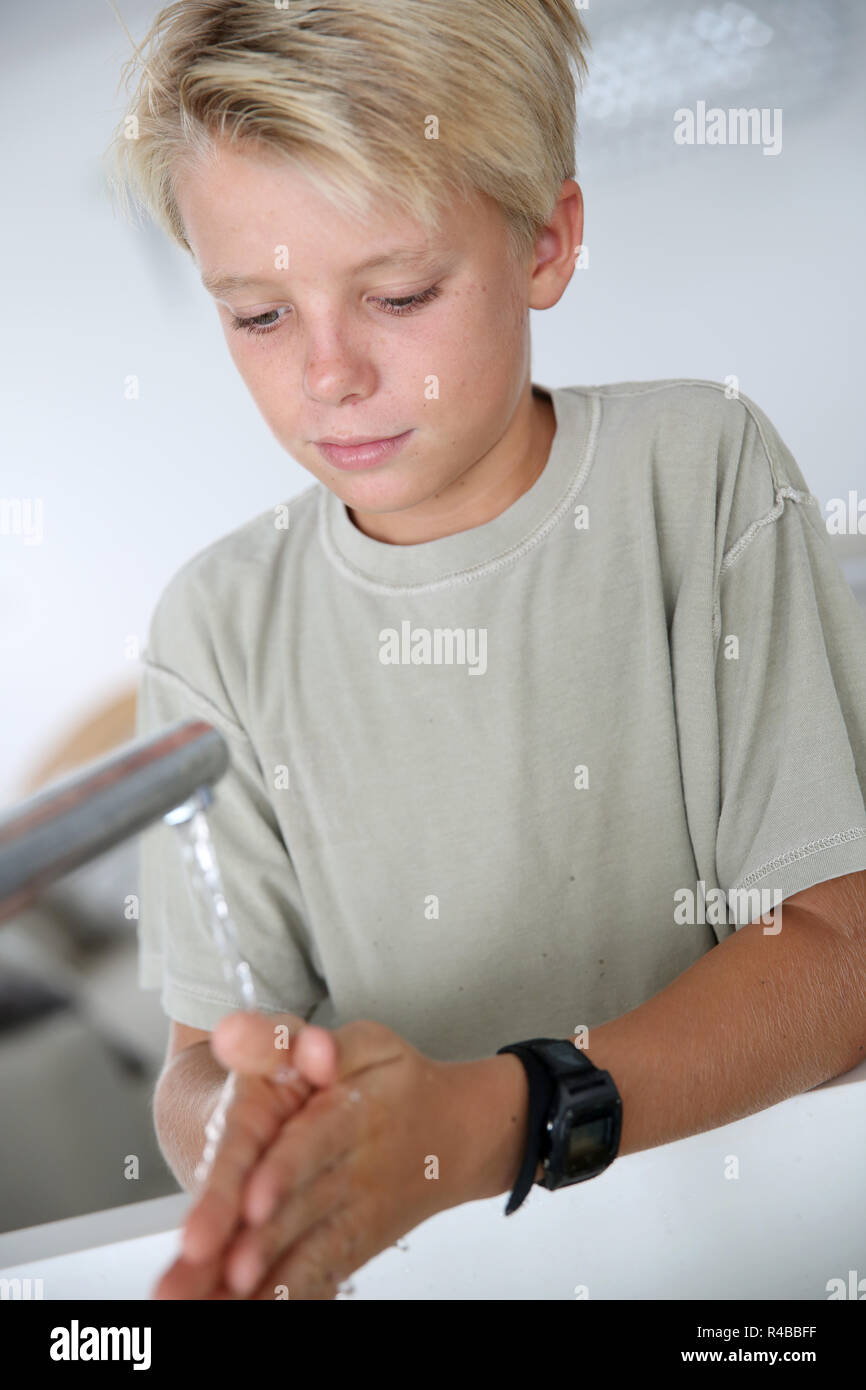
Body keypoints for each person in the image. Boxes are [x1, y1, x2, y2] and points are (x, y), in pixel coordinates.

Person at [105, 0, 866, 1301]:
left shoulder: (700, 475)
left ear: (546, 242)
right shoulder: (211, 628)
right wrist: (253, 1150)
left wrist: (493, 1119)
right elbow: (203, 1055)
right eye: (258, 316)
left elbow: (835, 952)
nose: (329, 373)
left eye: (395, 292)